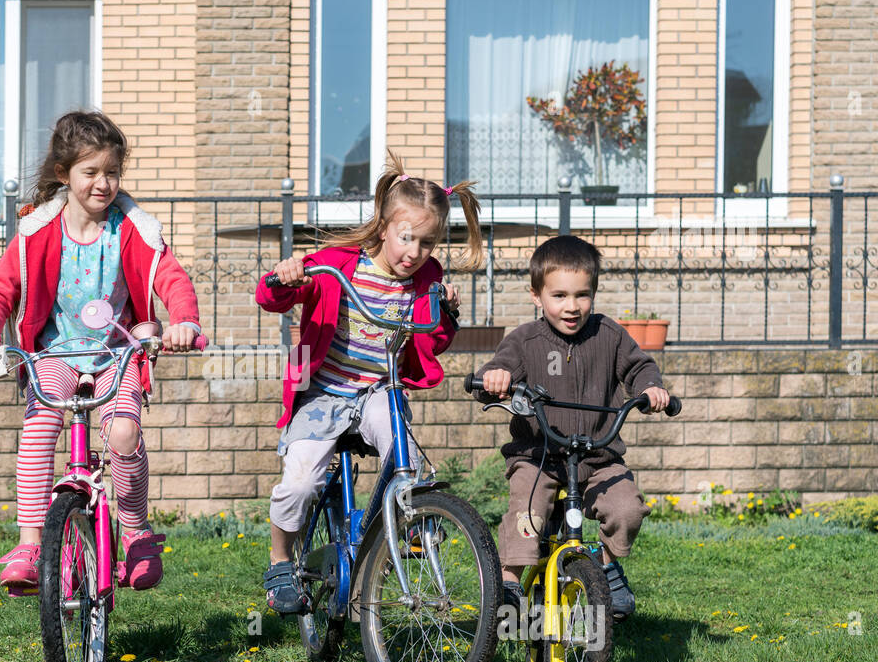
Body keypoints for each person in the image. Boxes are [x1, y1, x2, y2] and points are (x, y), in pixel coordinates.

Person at [0, 110, 204, 595]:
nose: (103, 183)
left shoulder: (131, 230)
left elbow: (171, 278)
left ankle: (136, 533)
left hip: (118, 355)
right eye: (90, 172)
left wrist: (182, 320)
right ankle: (31, 544)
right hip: (56, 354)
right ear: (64, 174)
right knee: (39, 427)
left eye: (112, 172)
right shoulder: (37, 233)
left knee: (122, 433)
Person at [255, 151, 481, 612]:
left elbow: (430, 341)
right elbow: (273, 298)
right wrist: (286, 277)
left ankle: (409, 525)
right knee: (300, 482)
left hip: (379, 391)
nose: (414, 253)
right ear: (383, 228)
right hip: (324, 393)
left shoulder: (426, 279)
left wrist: (448, 312)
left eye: (427, 243)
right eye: (406, 238)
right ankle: (280, 564)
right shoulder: (339, 262)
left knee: (408, 462)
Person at [474, 235, 669, 621]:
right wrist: (493, 378)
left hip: (599, 458)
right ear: (537, 296)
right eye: (559, 295)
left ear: (593, 295)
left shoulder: (608, 335)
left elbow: (639, 366)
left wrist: (650, 387)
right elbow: (493, 373)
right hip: (539, 457)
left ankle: (610, 570)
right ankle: (509, 584)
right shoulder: (525, 341)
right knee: (526, 513)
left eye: (582, 295)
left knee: (627, 508)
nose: (572, 306)